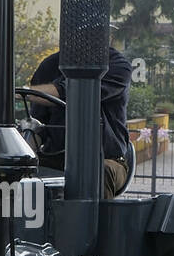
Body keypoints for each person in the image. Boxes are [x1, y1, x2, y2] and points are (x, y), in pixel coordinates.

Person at [28, 46, 132, 198]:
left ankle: (97, 221)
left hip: (106, 159)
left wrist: (20, 92)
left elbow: (75, 91)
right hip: (54, 159)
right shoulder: (49, 66)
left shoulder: (116, 65)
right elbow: (38, 124)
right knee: (16, 171)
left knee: (98, 172)